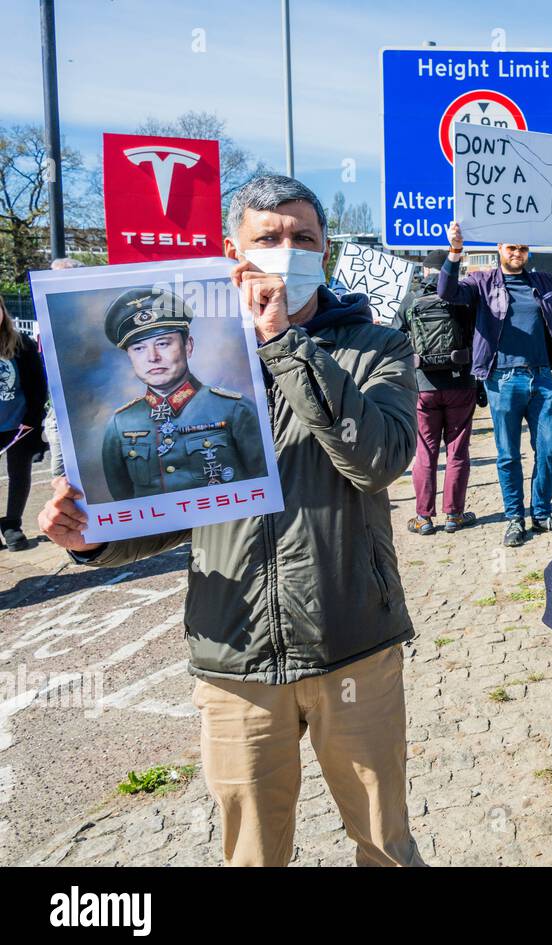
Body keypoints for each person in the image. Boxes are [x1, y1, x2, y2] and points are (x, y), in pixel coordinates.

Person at [39, 175, 424, 867]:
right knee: (250, 854)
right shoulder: (192, 372)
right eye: (267, 239)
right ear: (230, 252)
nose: (286, 252)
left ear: (326, 251)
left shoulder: (376, 347)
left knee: (385, 843)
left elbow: (377, 461)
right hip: (235, 653)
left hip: (353, 639)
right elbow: (176, 510)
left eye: (303, 238)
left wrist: (282, 344)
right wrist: (94, 537)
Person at [437, 225, 552, 547]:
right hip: (503, 379)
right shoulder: (482, 283)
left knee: (551, 451)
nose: (517, 254)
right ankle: (515, 518)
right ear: (499, 247)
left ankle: (540, 513)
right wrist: (455, 252)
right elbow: (446, 291)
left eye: (523, 249)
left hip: (541, 378)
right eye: (512, 247)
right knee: (508, 455)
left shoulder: (544, 283)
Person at [99, 286, 265, 501]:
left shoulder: (235, 409)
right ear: (130, 357)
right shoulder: (120, 423)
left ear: (188, 346)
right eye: (139, 348)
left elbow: (263, 482)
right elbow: (123, 496)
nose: (152, 357)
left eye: (163, 343)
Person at [395, 251, 477, 534]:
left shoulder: (411, 300)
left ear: (426, 271)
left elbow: (396, 338)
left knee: (425, 451)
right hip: (460, 384)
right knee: (457, 451)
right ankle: (454, 515)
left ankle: (423, 517)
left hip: (423, 386)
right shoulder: (463, 299)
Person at [0, 297, 48, 551]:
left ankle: (12, 524)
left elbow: (38, 385)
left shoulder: (21, 344)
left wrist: (32, 420)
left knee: (19, 474)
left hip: (18, 425)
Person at [43, 256, 83, 479]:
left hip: (89, 412)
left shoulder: (91, 317)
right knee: (60, 476)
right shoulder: (47, 318)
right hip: (58, 414)